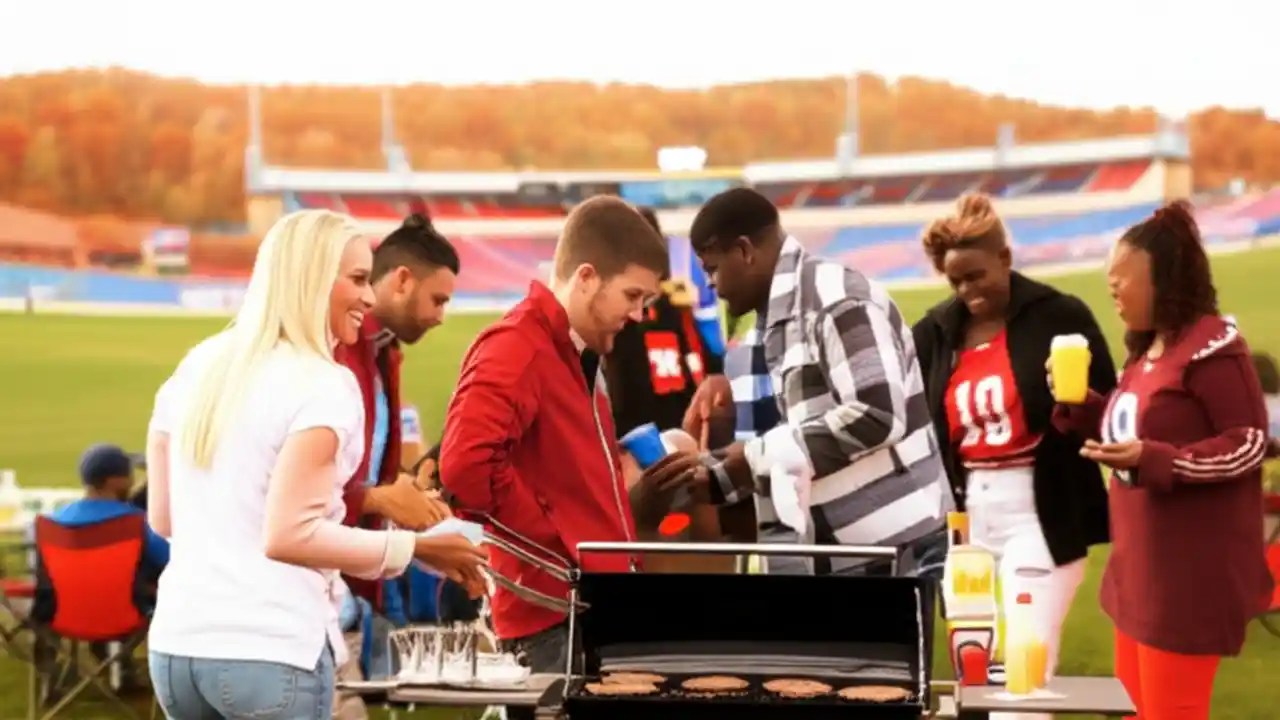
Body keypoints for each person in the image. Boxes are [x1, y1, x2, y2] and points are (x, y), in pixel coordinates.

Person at [144, 209, 486, 719]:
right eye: (355, 280)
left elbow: (164, 518)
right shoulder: (322, 381)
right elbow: (291, 535)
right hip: (270, 650)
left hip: (178, 649)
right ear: (310, 277)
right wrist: (416, 547)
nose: (369, 297)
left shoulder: (197, 363)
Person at [647, 187, 952, 577]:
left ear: (744, 251)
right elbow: (807, 438)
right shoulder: (783, 314)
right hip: (850, 554)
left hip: (895, 553)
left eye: (712, 268)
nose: (710, 284)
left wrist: (754, 457)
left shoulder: (834, 299)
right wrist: (719, 474)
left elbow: (878, 413)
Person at [1051, 201, 1274, 720]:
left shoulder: (1214, 349)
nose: (1115, 300)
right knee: (1135, 711)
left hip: (1184, 580)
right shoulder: (1148, 350)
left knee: (1171, 712)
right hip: (1139, 573)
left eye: (1120, 286)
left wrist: (1159, 461)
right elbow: (1135, 433)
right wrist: (1084, 408)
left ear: (1164, 280)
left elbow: (1246, 442)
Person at [439, 195, 667, 677]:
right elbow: (463, 469)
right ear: (586, 278)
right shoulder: (519, 347)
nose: (641, 314)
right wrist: (558, 542)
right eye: (632, 296)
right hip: (552, 620)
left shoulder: (574, 352)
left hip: (581, 609)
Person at [911, 194, 1115, 689]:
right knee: (975, 672)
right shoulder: (935, 333)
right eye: (956, 281)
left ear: (1005, 257)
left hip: (1038, 511)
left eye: (976, 275)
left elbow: (1112, 409)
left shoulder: (1059, 315)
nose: (967, 290)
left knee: (1024, 669)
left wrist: (1075, 402)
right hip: (967, 521)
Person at [332, 213, 459, 705]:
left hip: (348, 575)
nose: (442, 315)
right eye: (439, 299)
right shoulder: (340, 352)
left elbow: (364, 475)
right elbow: (314, 490)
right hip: (316, 589)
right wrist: (385, 499)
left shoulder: (382, 353)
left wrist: (407, 496)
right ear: (402, 280)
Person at [32, 444, 169, 695]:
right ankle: (129, 673)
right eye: (129, 474)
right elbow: (169, 562)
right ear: (116, 480)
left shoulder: (51, 524)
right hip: (125, 615)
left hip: (61, 615)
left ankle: (48, 683)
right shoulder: (135, 524)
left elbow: (41, 575)